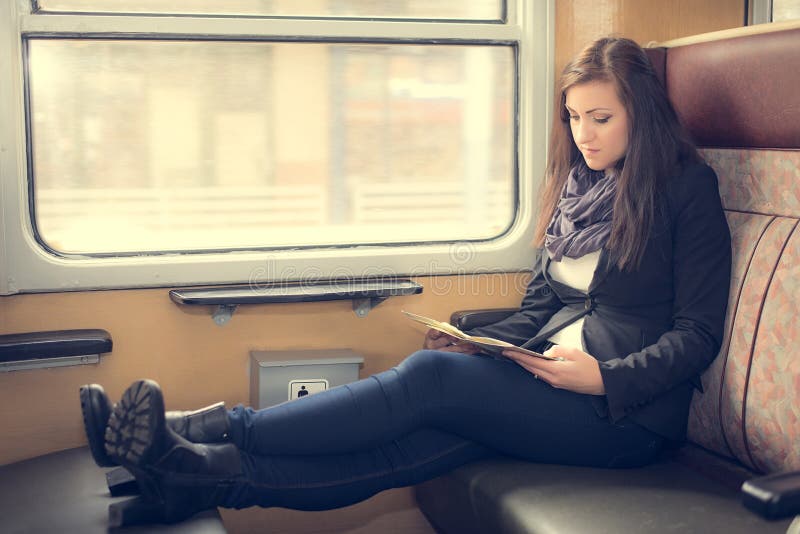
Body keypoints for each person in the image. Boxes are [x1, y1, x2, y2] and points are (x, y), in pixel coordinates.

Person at [80, 36, 732, 526]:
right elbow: (540, 308)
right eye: (573, 117)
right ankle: (190, 477)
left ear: (639, 115)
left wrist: (605, 378)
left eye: (601, 119)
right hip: (544, 378)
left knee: (426, 382)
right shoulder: (578, 191)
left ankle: (202, 431)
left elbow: (698, 333)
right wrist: (478, 344)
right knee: (412, 446)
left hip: (623, 413)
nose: (582, 135)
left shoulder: (685, 189)